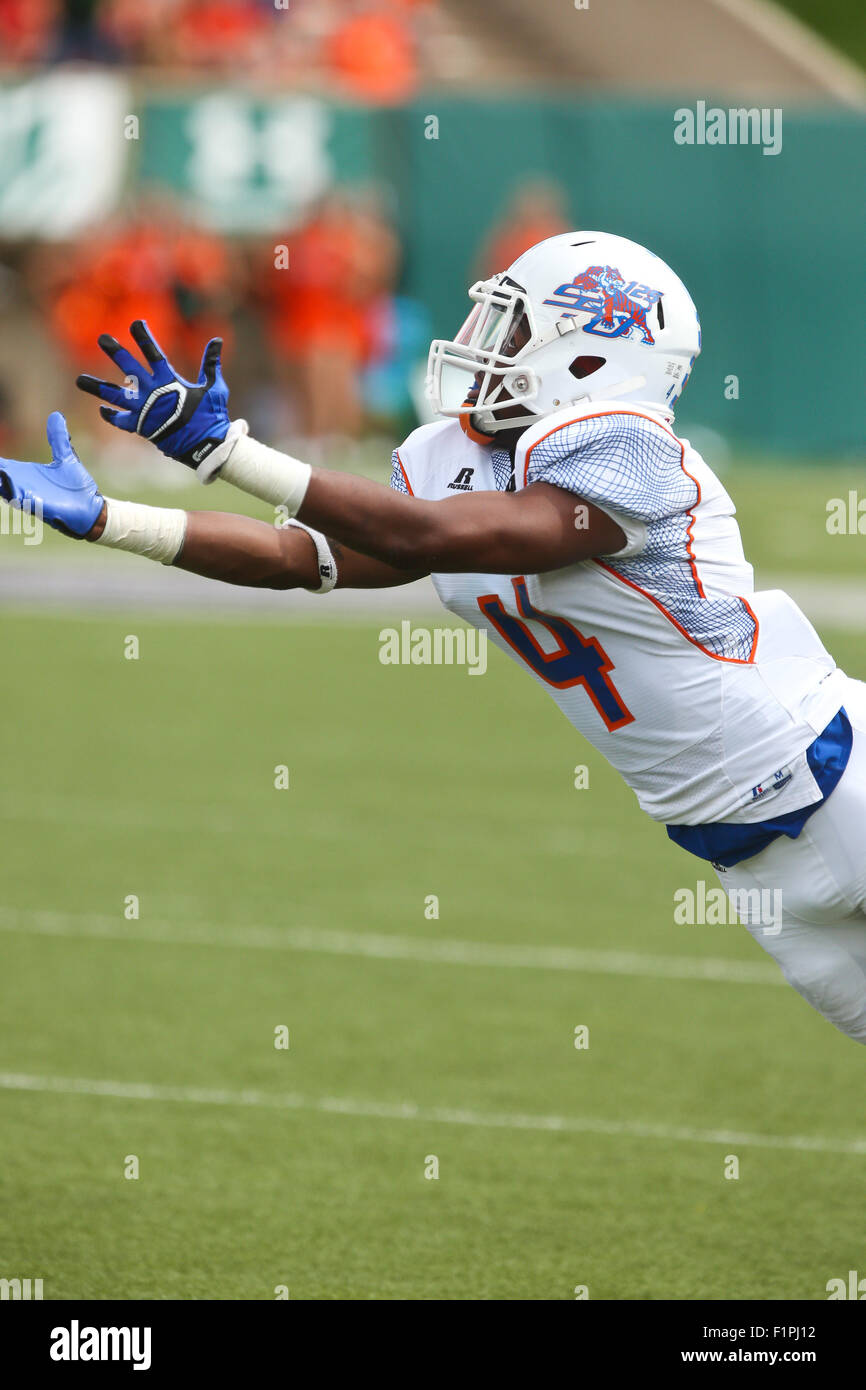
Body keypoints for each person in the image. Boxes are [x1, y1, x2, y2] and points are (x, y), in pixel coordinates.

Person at [2, 230, 865, 1045]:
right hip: (740, 856)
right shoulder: (450, 456)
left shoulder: (627, 449)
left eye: (516, 323)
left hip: (834, 779)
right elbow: (296, 557)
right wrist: (115, 520)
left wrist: (229, 451)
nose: (484, 339)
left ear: (593, 350)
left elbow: (437, 539)